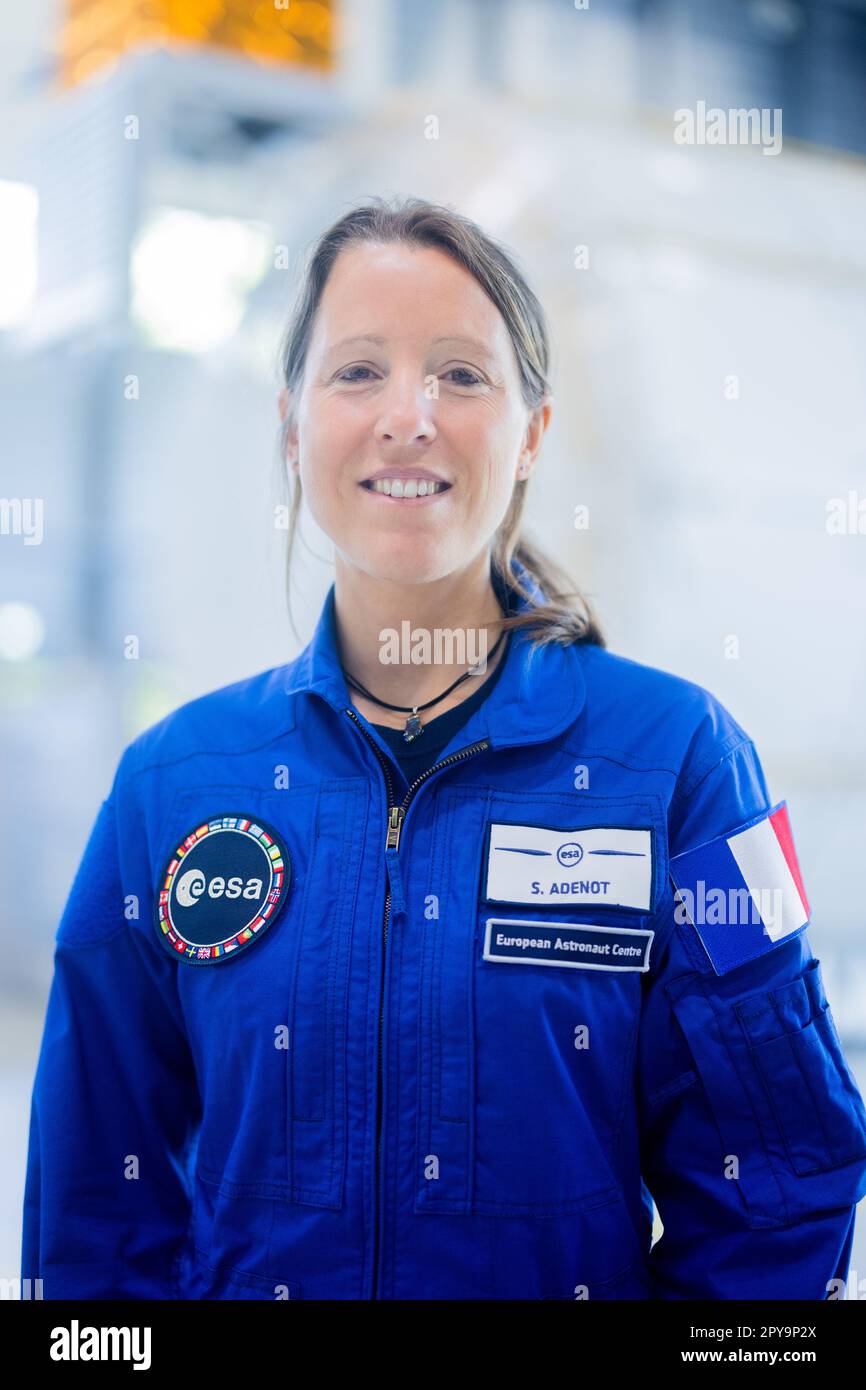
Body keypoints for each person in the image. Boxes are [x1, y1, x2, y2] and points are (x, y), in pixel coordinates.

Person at [22, 196, 866, 1301]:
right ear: (291, 426)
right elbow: (95, 1208)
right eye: (358, 370)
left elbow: (776, 1183)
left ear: (530, 435)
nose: (408, 415)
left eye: (461, 375)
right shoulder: (168, 787)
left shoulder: (688, 768)